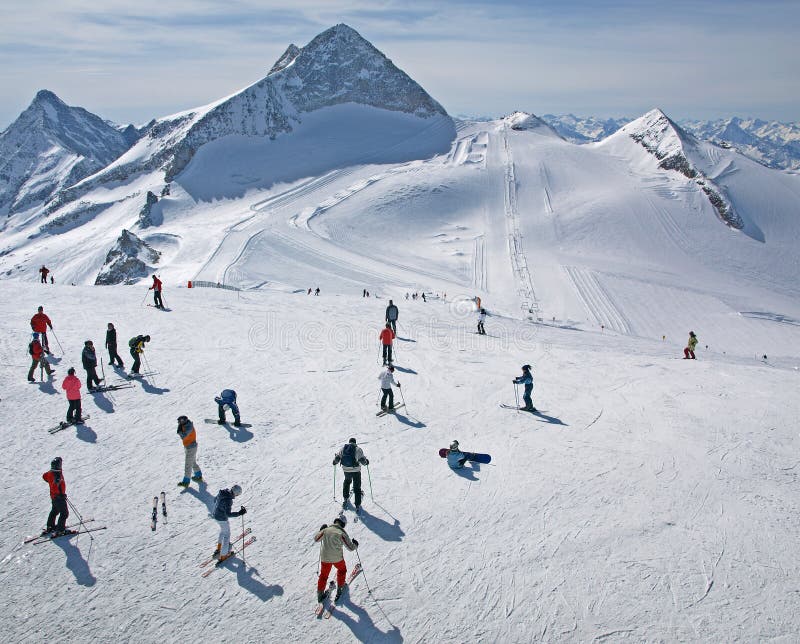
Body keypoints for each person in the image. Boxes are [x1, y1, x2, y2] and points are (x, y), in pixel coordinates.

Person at [314, 515, 358, 603]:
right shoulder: (341, 533)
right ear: (343, 524)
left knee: (323, 575)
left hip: (325, 558)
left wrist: (321, 530)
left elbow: (316, 539)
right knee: (342, 570)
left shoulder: (326, 530)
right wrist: (355, 544)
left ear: (335, 521)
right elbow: (351, 548)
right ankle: (340, 588)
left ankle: (320, 595)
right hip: (337, 559)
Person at [332, 438, 369, 511]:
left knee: (347, 481)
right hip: (356, 471)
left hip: (346, 470)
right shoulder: (358, 449)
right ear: (355, 443)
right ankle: (357, 504)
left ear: (349, 442)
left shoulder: (343, 448)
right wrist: (367, 462)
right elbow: (362, 461)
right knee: (357, 487)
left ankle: (345, 497)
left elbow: (337, 458)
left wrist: (334, 462)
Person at [212, 484, 246, 561]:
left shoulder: (223, 492)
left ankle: (219, 548)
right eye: (237, 495)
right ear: (236, 493)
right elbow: (228, 514)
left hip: (216, 515)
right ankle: (223, 555)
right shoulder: (228, 500)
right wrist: (239, 513)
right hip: (222, 518)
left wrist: (220, 508)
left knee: (223, 531)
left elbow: (215, 500)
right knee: (227, 535)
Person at [42, 457, 70, 535]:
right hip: (59, 498)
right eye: (60, 464)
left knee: (55, 511)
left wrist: (49, 481)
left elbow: (44, 476)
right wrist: (61, 495)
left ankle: (50, 526)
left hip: (54, 497)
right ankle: (60, 530)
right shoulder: (57, 475)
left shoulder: (51, 472)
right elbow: (56, 487)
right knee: (64, 513)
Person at [176, 415, 203, 487]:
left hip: (191, 447)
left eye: (180, 421)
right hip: (189, 446)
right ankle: (198, 476)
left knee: (188, 464)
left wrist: (179, 432)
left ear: (183, 421)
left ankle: (186, 482)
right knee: (192, 462)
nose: (179, 423)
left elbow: (183, 436)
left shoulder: (189, 427)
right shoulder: (186, 425)